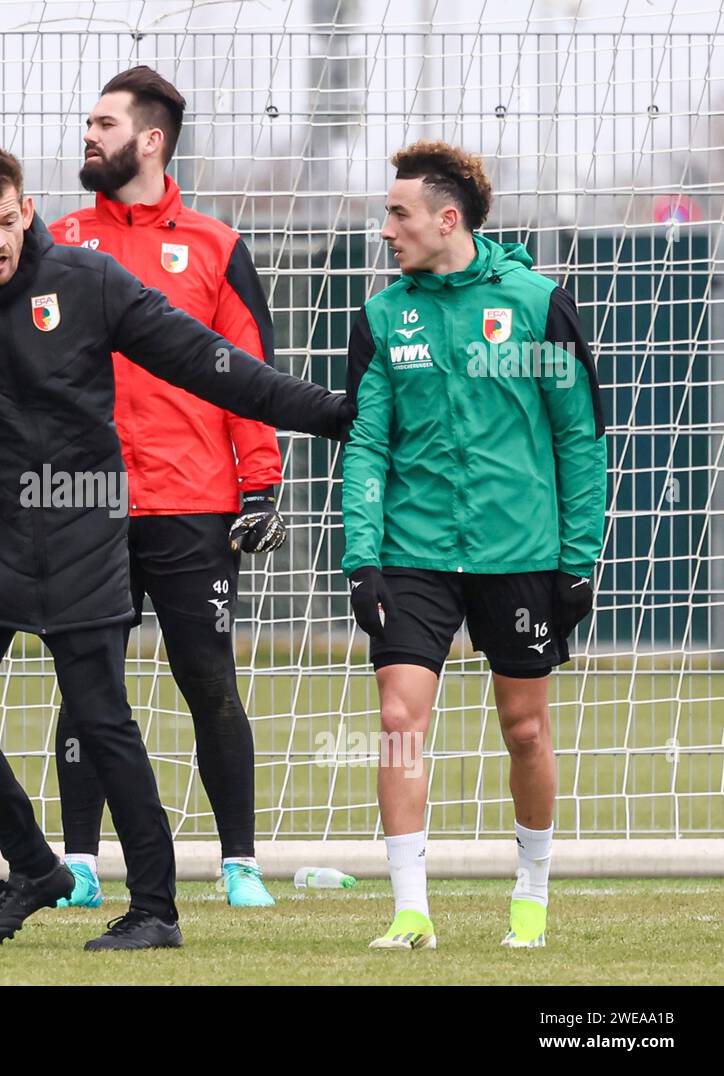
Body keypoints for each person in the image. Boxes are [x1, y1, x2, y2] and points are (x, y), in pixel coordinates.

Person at [0, 142, 353, 951]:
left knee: (103, 721)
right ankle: (35, 866)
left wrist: (331, 412)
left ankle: (156, 911)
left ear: (26, 210)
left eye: (7, 221)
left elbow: (211, 365)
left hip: (81, 533)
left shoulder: (86, 282)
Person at [341, 141, 606, 951]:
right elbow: (365, 445)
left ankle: (530, 892)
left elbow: (579, 439)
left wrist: (578, 560)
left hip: (519, 553)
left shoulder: (537, 304)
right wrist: (362, 556)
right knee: (397, 719)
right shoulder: (385, 316)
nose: (386, 229)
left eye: (398, 213)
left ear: (445, 218)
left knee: (524, 729)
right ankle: (410, 910)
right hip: (413, 552)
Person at [49, 66, 287, 909]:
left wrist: (262, 482)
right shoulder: (57, 240)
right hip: (83, 502)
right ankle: (77, 863)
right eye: (88, 122)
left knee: (209, 681)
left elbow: (247, 371)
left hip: (194, 503)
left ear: (150, 140)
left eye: (104, 124)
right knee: (87, 681)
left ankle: (238, 863)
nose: (89, 135)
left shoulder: (217, 246)